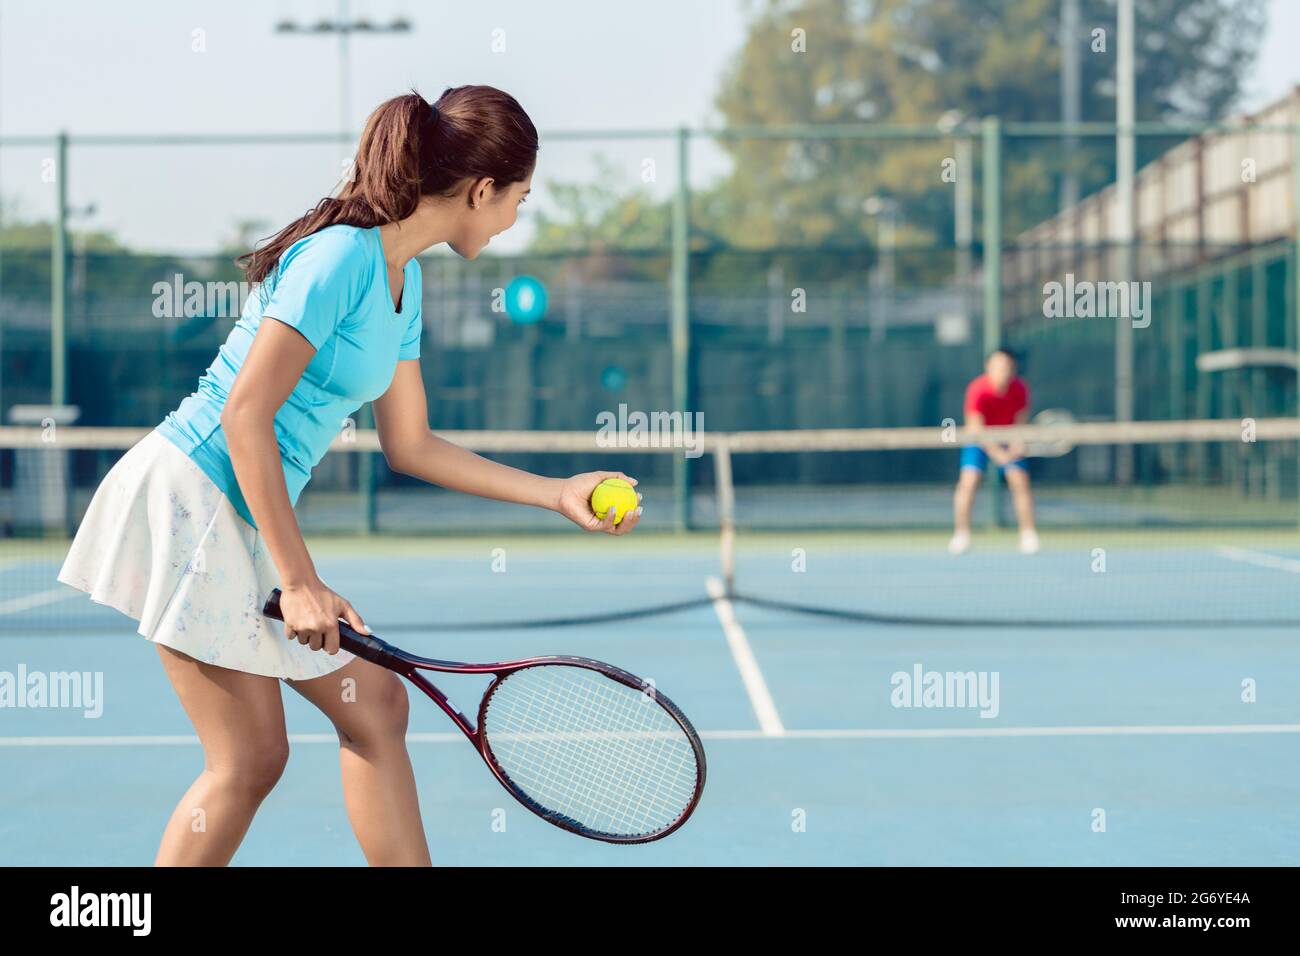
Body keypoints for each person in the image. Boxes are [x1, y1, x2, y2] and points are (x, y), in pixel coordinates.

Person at [57, 87, 641, 866]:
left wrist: (555, 492)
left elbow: (414, 445)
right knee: (248, 761)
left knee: (375, 709)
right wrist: (299, 582)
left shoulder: (404, 280)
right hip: (192, 497)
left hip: (239, 508)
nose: (513, 220)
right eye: (518, 200)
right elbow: (244, 416)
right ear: (480, 190)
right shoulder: (339, 257)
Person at [949, 348, 1039, 555]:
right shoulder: (977, 389)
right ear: (988, 367)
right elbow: (976, 428)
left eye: (1007, 366)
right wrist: (997, 453)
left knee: (1019, 480)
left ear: (1013, 368)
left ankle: (1028, 534)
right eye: (999, 366)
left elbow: (1021, 422)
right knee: (968, 482)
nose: (1003, 370)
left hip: (1008, 437)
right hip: (978, 440)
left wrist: (1017, 444)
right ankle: (961, 535)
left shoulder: (1020, 388)